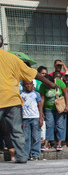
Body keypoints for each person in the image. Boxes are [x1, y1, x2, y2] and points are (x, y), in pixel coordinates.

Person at [0, 34, 57, 163]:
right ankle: (21, 157)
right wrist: (50, 83)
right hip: (12, 99)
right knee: (17, 130)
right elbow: (32, 73)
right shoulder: (12, 58)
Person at [40, 74, 68, 151]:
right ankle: (47, 142)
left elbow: (65, 93)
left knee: (60, 124)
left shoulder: (59, 82)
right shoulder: (43, 86)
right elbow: (42, 99)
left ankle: (60, 143)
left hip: (59, 108)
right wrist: (41, 111)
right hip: (48, 108)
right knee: (49, 125)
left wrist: (67, 105)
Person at [20, 80, 43, 160]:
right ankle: (26, 154)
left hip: (35, 117)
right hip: (25, 118)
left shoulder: (36, 94)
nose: (29, 86)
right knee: (26, 137)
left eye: (30, 84)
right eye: (27, 84)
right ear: (24, 85)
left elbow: (40, 105)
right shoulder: (21, 94)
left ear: (33, 85)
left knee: (36, 137)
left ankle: (35, 153)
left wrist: (41, 118)